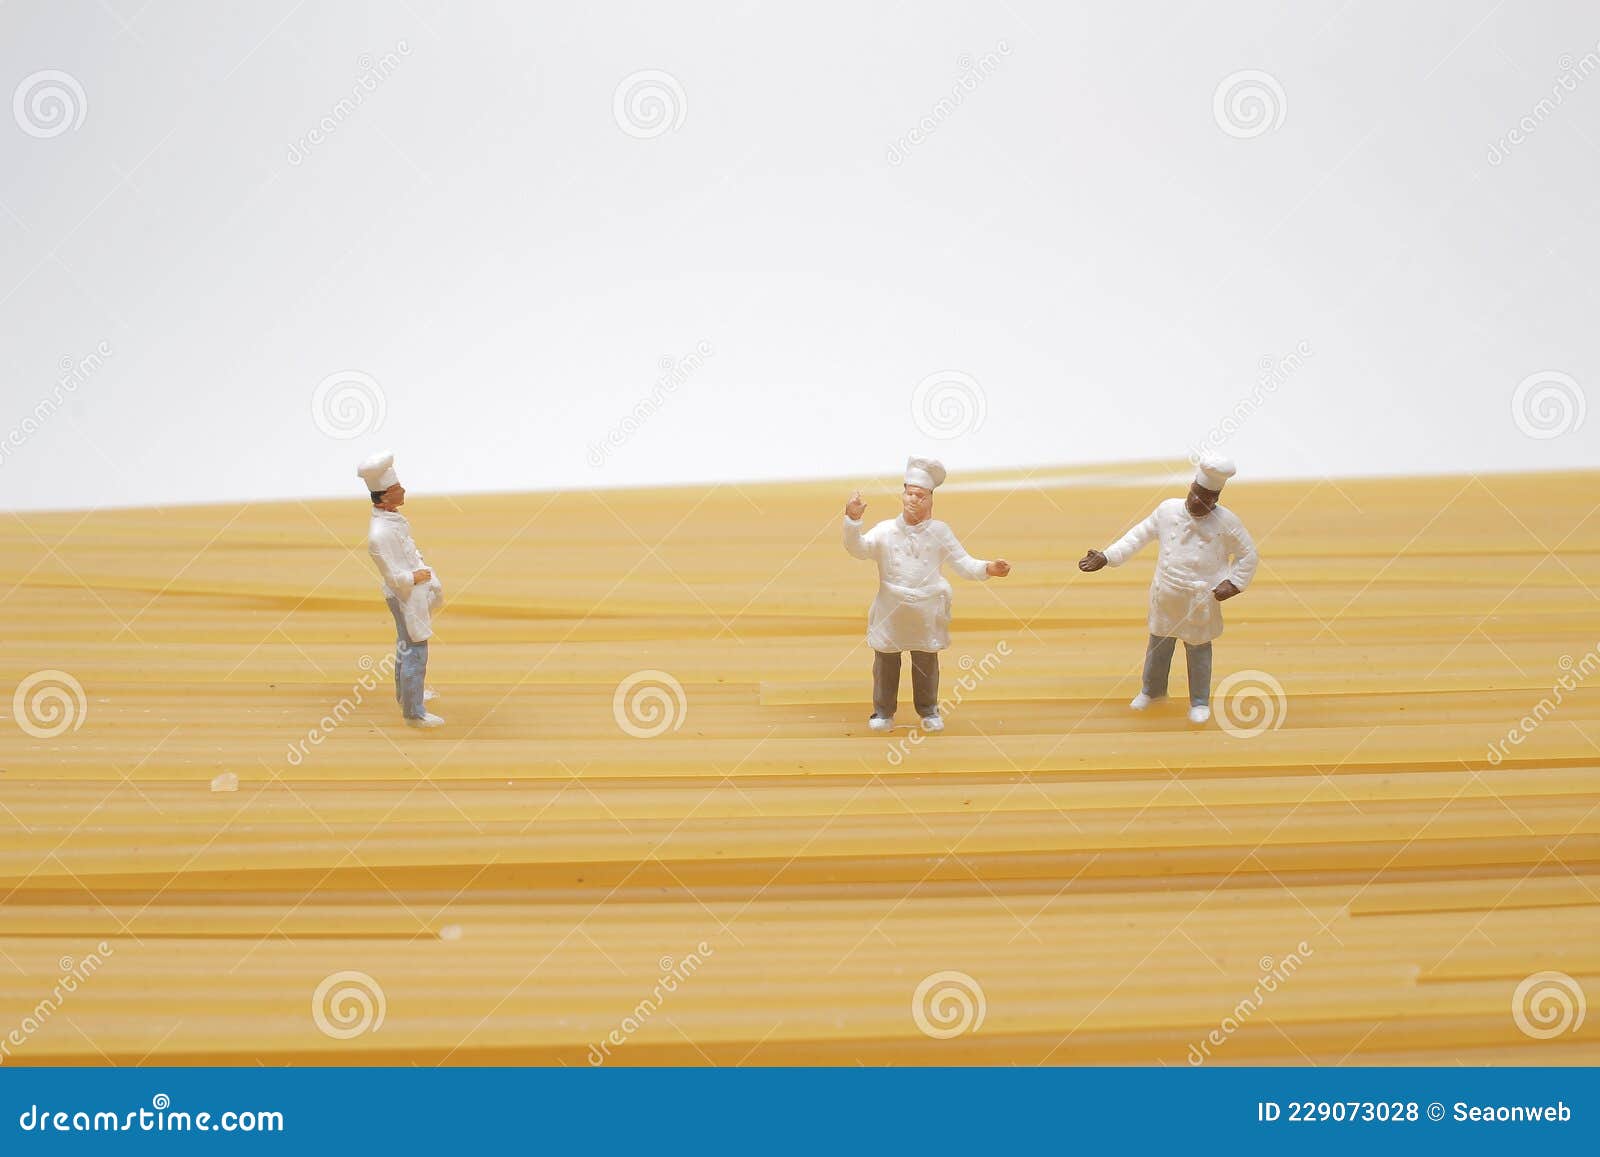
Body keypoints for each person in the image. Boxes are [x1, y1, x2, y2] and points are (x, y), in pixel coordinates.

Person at [1078, 454, 1258, 724]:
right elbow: (1137, 536)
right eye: (1195, 495)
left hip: (1200, 599)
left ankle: (1198, 701)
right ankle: (1152, 691)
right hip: (1166, 593)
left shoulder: (1227, 523)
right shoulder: (1167, 511)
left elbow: (1249, 555)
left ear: (1215, 500)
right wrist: (1107, 557)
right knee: (1158, 644)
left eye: (1206, 499)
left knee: (1198, 649)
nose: (1198, 502)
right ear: (1190, 489)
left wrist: (1234, 583)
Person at [842, 456, 1011, 733]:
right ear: (902, 495)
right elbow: (858, 549)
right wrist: (853, 520)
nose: (913, 500)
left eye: (919, 495)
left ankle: (928, 710)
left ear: (931, 499)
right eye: (909, 494)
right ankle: (883, 712)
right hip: (891, 607)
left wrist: (988, 568)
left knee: (925, 662)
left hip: (925, 609)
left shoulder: (940, 532)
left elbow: (964, 564)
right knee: (886, 661)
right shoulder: (885, 531)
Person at [358, 451, 445, 728]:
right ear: (384, 497)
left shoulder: (394, 520)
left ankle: (408, 697)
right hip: (405, 595)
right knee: (416, 652)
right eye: (397, 489)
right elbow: (394, 576)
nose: (403, 490)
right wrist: (416, 576)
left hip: (414, 593)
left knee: (406, 647)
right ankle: (414, 712)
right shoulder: (379, 535)